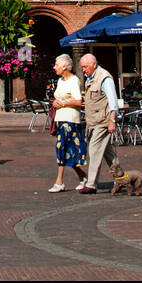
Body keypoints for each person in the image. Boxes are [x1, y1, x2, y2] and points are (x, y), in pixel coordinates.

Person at [77, 53, 120, 193]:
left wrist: (112, 120)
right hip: (94, 122)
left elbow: (113, 101)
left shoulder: (105, 78)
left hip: (103, 121)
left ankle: (91, 184)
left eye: (85, 67)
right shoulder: (90, 78)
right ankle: (121, 177)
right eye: (82, 67)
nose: (83, 70)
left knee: (94, 149)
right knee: (107, 152)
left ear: (93, 65)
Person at [48, 55, 87, 193]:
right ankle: (82, 176)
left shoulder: (74, 81)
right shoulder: (60, 81)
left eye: (56, 64)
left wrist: (63, 103)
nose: (54, 67)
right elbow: (58, 97)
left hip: (70, 120)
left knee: (62, 148)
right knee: (65, 150)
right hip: (60, 119)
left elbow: (78, 101)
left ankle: (59, 182)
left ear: (64, 66)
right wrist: (55, 102)